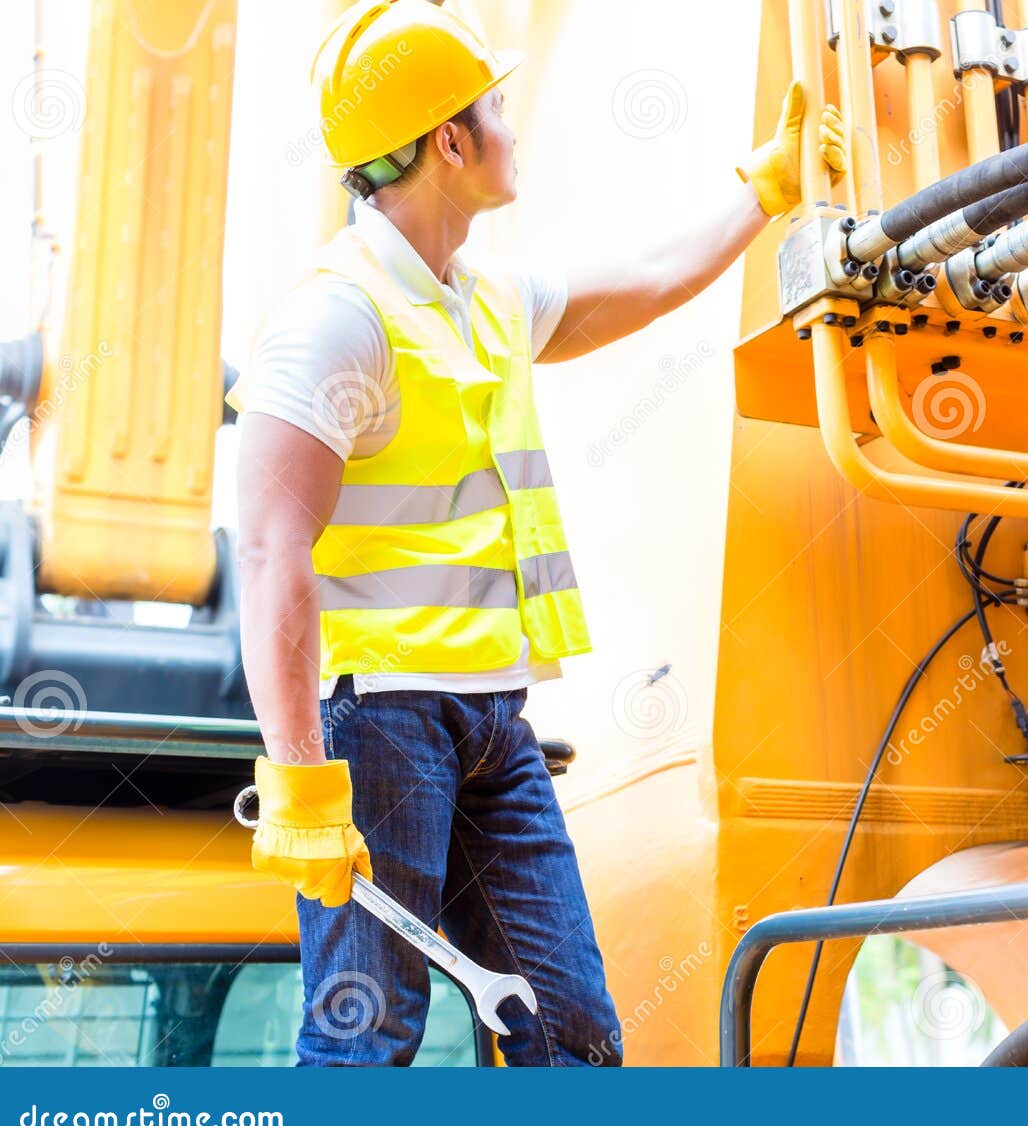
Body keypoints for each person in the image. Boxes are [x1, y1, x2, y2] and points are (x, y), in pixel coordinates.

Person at [226, 0, 845, 1066]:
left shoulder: (484, 299)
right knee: (365, 1040)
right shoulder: (339, 317)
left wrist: (763, 192)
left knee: (567, 1032)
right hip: (378, 726)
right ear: (449, 140)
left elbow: (643, 287)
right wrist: (298, 780)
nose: (514, 125)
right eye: (496, 106)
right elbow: (270, 550)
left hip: (491, 724)